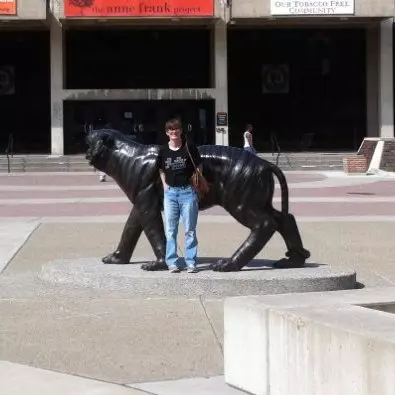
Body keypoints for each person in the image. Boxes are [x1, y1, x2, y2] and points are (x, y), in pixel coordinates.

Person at [157, 118, 202, 273]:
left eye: (176, 129)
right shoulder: (163, 150)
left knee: (190, 229)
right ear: (167, 133)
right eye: (171, 130)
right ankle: (172, 262)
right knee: (171, 230)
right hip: (170, 195)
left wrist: (196, 183)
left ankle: (191, 262)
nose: (174, 132)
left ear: (181, 131)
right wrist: (165, 186)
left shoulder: (189, 148)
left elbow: (199, 165)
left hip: (187, 193)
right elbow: (161, 169)